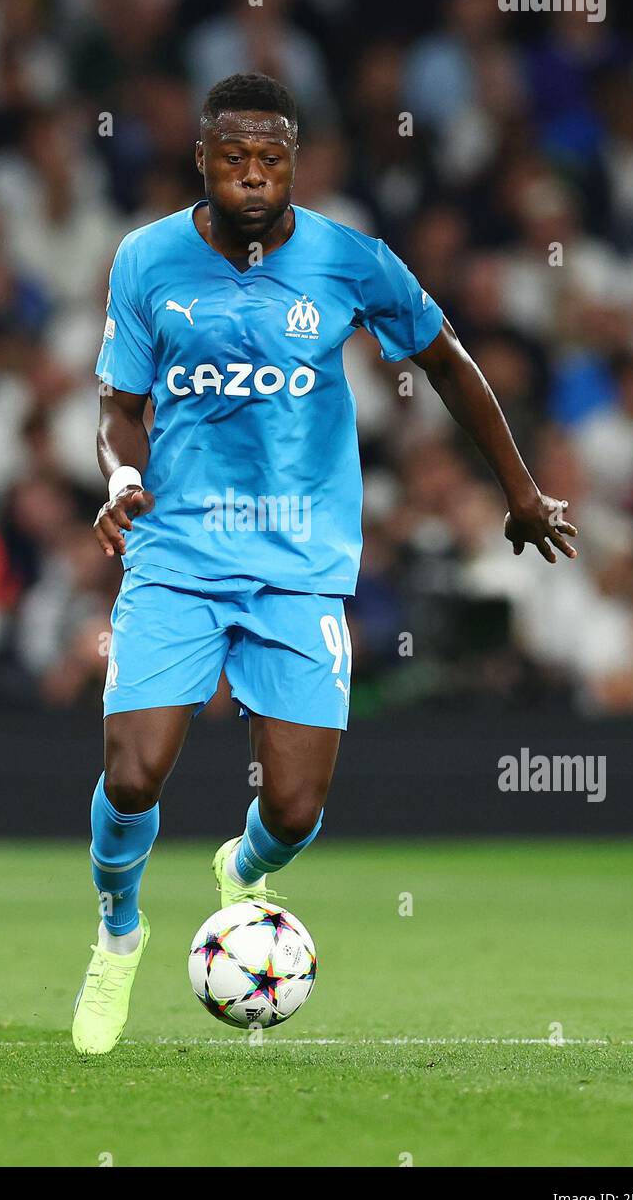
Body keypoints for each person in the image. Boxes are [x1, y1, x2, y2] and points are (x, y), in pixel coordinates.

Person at [72, 73, 578, 1055]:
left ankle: (241, 865)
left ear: (293, 160)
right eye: (234, 156)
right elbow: (114, 403)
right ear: (202, 159)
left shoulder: (349, 260)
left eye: (271, 157)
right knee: (133, 775)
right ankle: (118, 930)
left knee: (295, 812)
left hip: (298, 565)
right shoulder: (146, 260)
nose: (253, 175)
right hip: (177, 548)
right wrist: (121, 473)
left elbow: (446, 359)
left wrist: (518, 489)